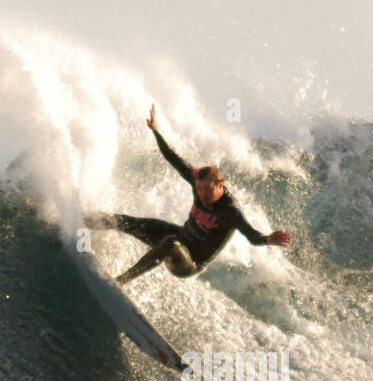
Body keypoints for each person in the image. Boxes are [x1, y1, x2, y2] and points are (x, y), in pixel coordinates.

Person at [87, 104, 291, 284]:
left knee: (169, 243)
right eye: (200, 189)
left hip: (190, 262)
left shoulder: (230, 212)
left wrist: (267, 239)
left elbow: (252, 236)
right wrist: (157, 132)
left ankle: (121, 281)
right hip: (180, 237)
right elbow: (173, 158)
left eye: (208, 190)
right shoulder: (199, 181)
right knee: (127, 221)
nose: (202, 195)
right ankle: (77, 221)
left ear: (220, 184)